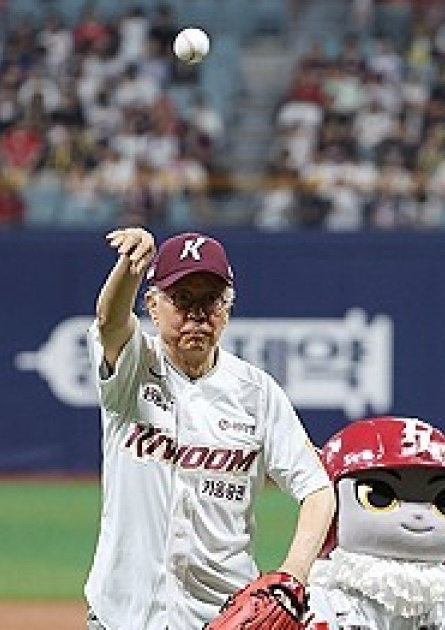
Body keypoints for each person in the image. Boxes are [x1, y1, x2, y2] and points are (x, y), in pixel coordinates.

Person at [84, 228, 337, 630]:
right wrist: (130, 269)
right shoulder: (133, 369)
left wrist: (293, 576)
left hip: (222, 618)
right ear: (152, 305)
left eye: (211, 300)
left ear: (228, 309)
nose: (197, 314)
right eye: (182, 298)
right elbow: (109, 321)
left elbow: (318, 491)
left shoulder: (256, 392)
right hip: (123, 615)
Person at [309, 416, 445, 630]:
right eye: (379, 497)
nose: (418, 515)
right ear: (330, 505)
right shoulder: (326, 598)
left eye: (444, 502)